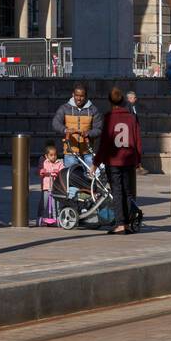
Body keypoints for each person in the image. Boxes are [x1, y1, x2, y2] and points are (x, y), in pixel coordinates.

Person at [94, 87, 143, 233]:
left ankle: (120, 223)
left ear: (109, 101)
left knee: (117, 191)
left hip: (113, 160)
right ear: (123, 100)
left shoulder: (109, 117)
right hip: (128, 159)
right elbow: (138, 140)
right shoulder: (131, 117)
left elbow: (104, 143)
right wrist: (138, 159)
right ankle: (127, 223)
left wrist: (96, 162)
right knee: (128, 192)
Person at [52, 85, 102, 161]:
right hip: (70, 151)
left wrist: (89, 133)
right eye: (77, 96)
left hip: (88, 151)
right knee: (72, 172)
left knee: (92, 172)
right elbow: (55, 123)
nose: (79, 99)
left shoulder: (93, 110)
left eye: (81, 96)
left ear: (86, 96)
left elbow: (99, 129)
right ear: (73, 95)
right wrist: (66, 130)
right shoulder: (64, 108)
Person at [37, 143, 64, 225]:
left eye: (55, 155)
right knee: (44, 203)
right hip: (46, 187)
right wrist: (42, 171)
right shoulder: (45, 163)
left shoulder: (59, 163)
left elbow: (63, 171)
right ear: (46, 156)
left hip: (55, 188)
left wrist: (58, 172)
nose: (53, 157)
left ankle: (57, 217)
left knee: (56, 204)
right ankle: (40, 217)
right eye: (51, 155)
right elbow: (40, 171)